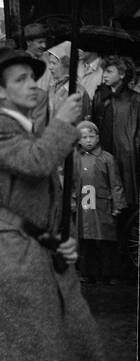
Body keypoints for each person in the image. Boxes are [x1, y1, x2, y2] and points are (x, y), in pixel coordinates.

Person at [0, 46, 107, 361]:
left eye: (33, 77)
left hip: (41, 253)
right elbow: (36, 163)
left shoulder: (32, 128)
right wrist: (62, 123)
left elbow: (43, 193)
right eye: (20, 79)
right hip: (11, 257)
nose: (32, 85)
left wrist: (61, 238)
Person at [70, 120, 125, 284]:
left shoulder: (107, 158)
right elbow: (71, 183)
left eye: (91, 136)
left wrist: (118, 204)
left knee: (105, 239)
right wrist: (72, 202)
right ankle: (87, 273)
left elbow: (116, 183)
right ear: (78, 140)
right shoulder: (75, 159)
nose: (88, 140)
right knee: (86, 240)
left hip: (102, 206)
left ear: (98, 138)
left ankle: (109, 274)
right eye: (84, 137)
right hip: (83, 207)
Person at [90, 55, 139, 212]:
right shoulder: (100, 96)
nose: (105, 75)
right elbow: (94, 123)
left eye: (110, 71)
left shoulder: (134, 100)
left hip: (125, 154)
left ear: (122, 74)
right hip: (103, 150)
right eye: (104, 71)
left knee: (125, 198)